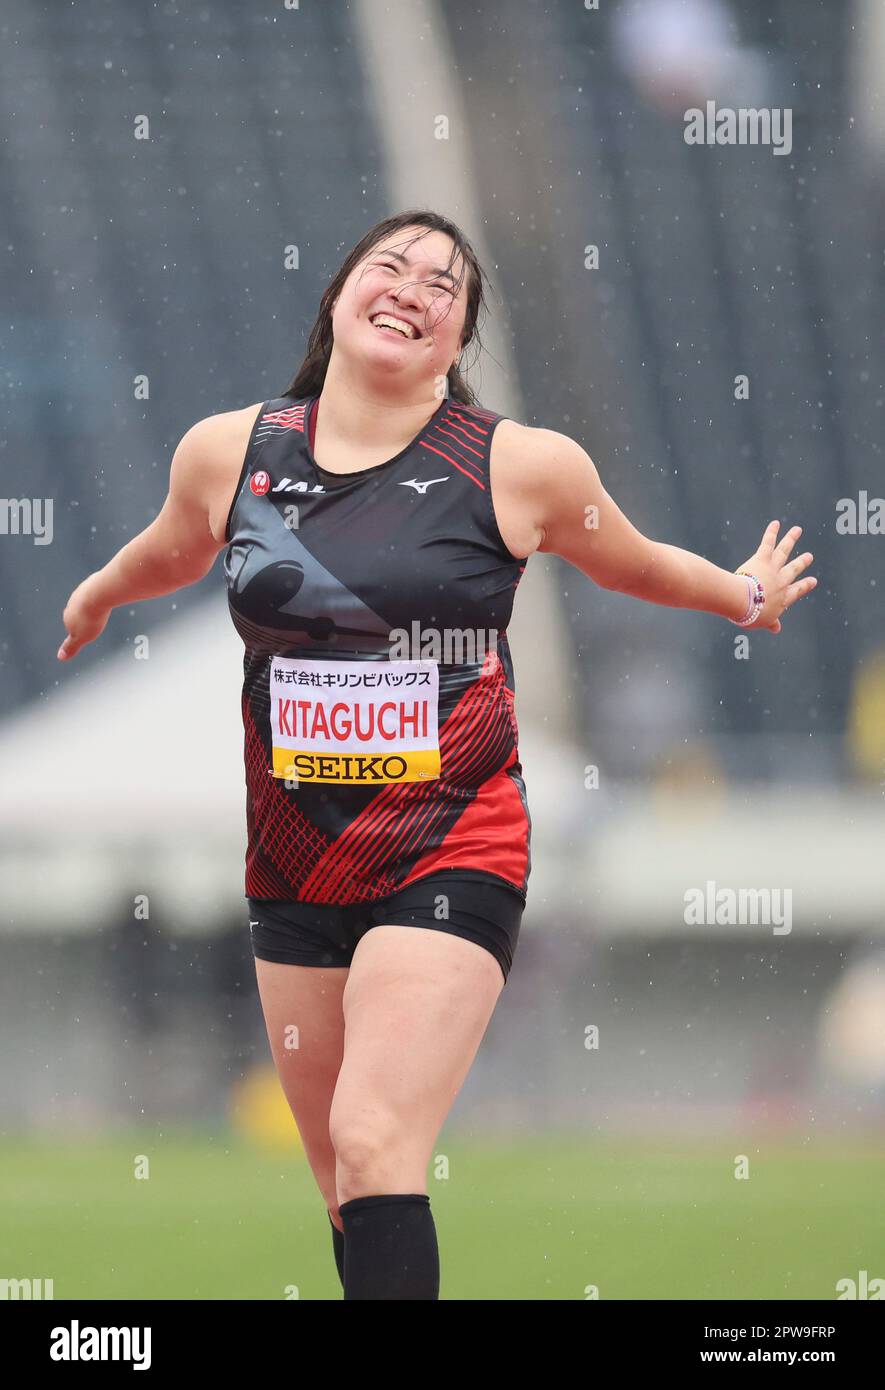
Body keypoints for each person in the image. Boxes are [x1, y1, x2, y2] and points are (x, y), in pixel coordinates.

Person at [57, 208, 818, 1300]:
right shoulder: (232, 449)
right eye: (392, 267)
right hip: (292, 862)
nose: (416, 288)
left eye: (445, 287)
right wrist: (95, 593)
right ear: (337, 296)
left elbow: (633, 561)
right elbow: (173, 545)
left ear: (458, 341)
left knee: (374, 1140)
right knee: (342, 1183)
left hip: (452, 846)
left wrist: (741, 594)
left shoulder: (516, 464)